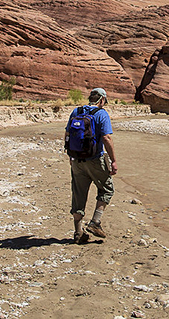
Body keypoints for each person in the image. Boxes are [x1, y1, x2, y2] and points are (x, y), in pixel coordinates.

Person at [67, 87, 118, 244]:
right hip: (95, 160)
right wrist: (113, 160)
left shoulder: (76, 111)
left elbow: (68, 134)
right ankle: (95, 222)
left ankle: (78, 232)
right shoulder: (101, 114)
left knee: (78, 194)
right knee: (107, 188)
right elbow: (106, 138)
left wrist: (70, 155)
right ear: (102, 100)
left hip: (76, 160)